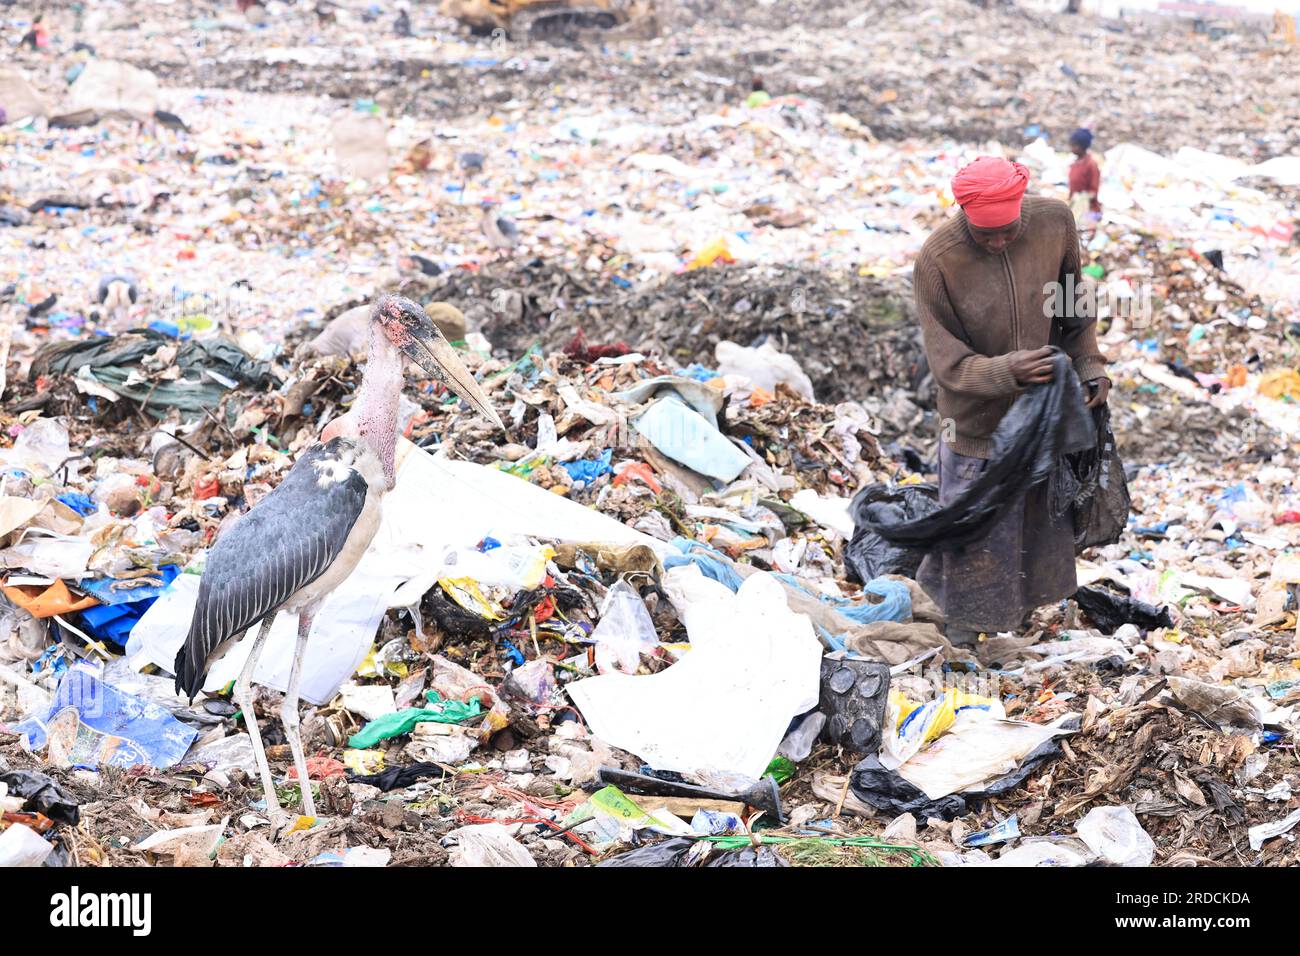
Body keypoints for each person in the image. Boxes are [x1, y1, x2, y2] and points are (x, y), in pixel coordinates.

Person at [913, 156, 1110, 643]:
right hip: (974, 426)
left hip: (1040, 417)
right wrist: (1007, 370)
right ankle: (962, 633)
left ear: (1022, 205)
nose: (999, 240)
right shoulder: (938, 260)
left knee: (1032, 525)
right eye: (986, 234)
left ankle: (1014, 621)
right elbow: (949, 366)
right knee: (975, 532)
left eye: (1008, 229)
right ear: (963, 214)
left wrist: (1090, 364)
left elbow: (1074, 307)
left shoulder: (1053, 222)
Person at [1067, 128, 1102, 226]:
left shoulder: (1091, 165)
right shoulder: (1074, 163)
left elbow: (1093, 191)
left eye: (1074, 145)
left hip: (1087, 210)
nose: (1072, 148)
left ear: (1082, 147)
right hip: (1074, 205)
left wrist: (1081, 197)